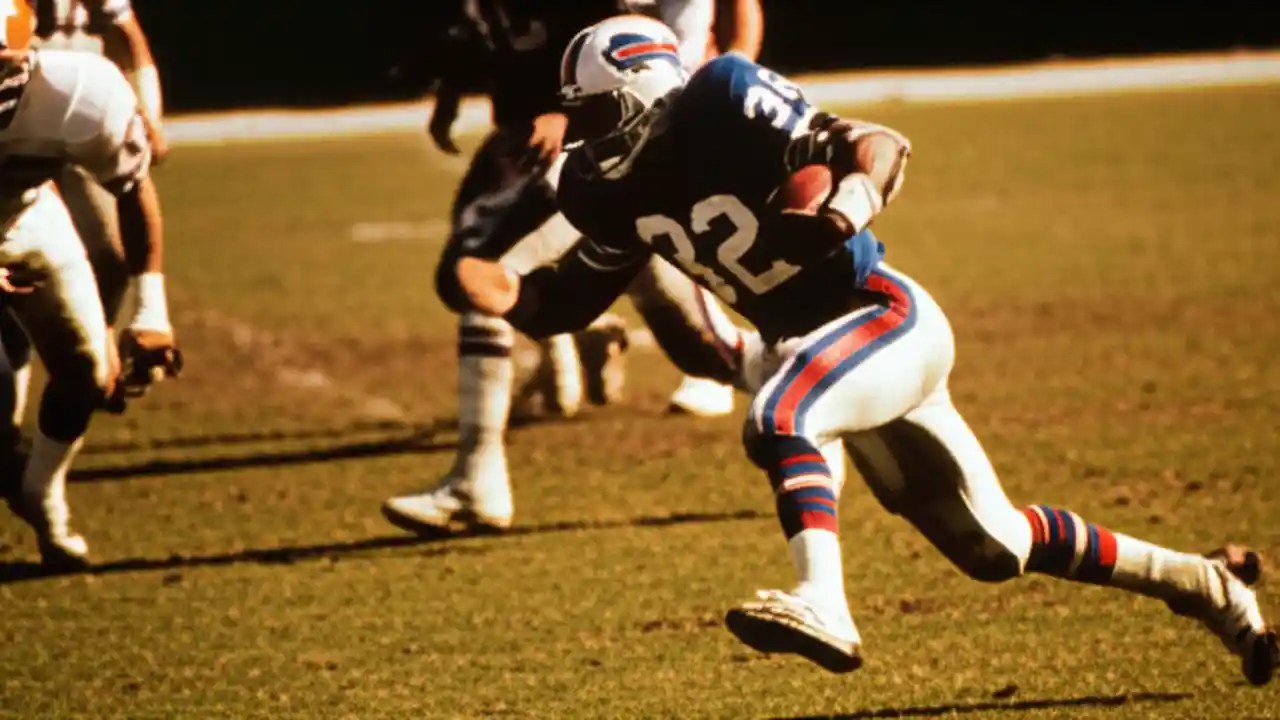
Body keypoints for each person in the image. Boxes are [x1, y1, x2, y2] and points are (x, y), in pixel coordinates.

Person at [448, 15, 1278, 685]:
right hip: (831, 349)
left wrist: (841, 213)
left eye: (595, 114)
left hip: (880, 314)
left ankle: (825, 604)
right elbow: (569, 299)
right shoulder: (608, 189)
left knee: (779, 414)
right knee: (995, 547)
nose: (587, 139)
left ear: (642, 93)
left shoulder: (725, 97)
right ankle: (1205, 585)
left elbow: (878, 146)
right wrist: (508, 294)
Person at [381, 0, 752, 536]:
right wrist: (450, 91)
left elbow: (622, 40)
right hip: (524, 141)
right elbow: (485, 36)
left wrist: (572, 111)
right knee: (702, 346)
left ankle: (476, 479)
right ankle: (810, 392)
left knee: (482, 275)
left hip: (570, 153)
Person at [0, 31, 159, 569]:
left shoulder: (78, 91)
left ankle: (42, 493)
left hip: (23, 216)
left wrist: (151, 311)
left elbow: (134, 190)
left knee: (90, 374)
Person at [0, 0, 178, 456]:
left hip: (66, 111)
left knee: (110, 256)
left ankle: (96, 350)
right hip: (21, 122)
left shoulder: (82, 87)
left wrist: (148, 112)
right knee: (19, 266)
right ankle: (12, 410)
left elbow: (128, 36)